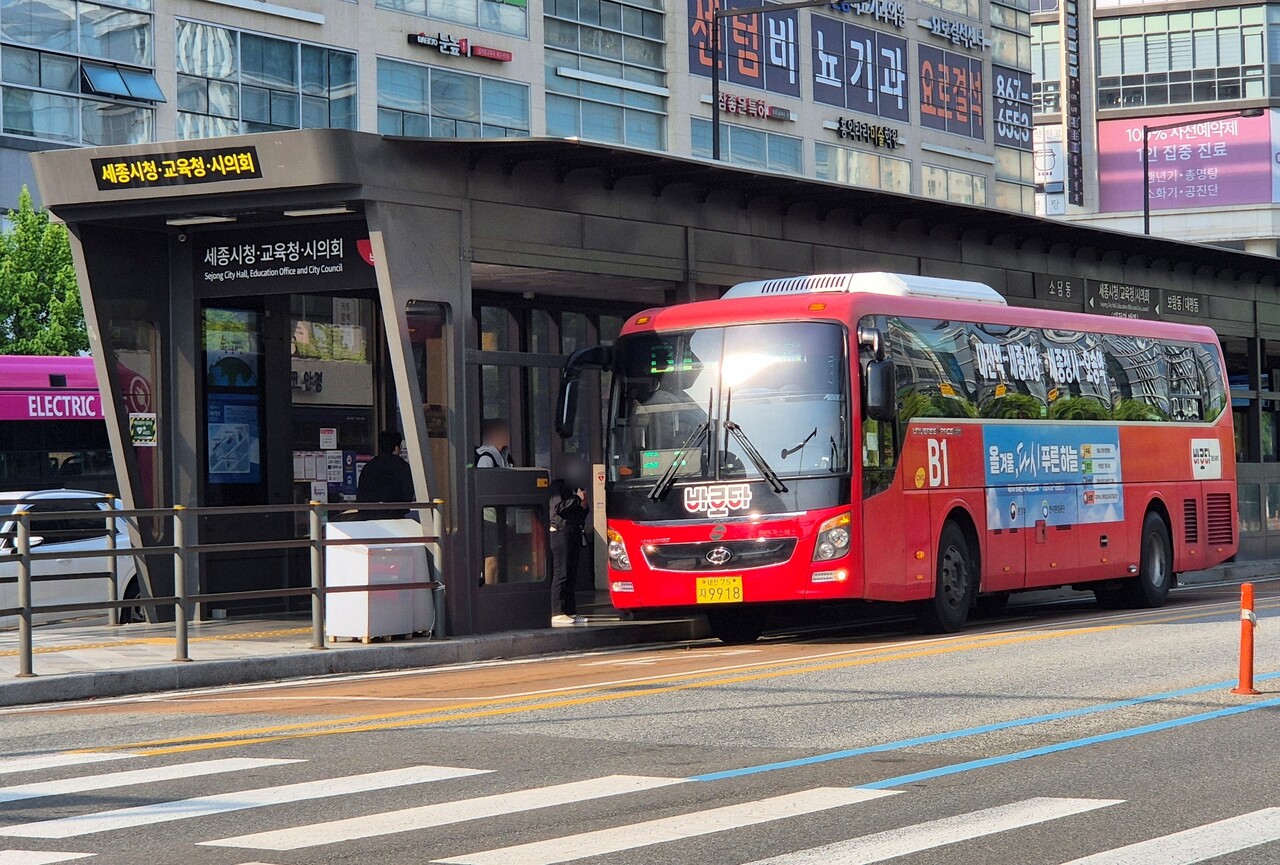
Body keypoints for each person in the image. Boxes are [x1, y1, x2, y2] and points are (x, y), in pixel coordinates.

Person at [549, 478, 588, 627]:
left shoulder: (574, 487)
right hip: (560, 532)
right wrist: (577, 499)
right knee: (561, 572)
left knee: (571, 574)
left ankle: (570, 611)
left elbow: (577, 514)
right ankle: (557, 612)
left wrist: (583, 506)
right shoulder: (557, 486)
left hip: (573, 531)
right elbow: (557, 508)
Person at [356, 430, 415, 519]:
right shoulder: (403, 467)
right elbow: (407, 493)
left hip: (370, 515)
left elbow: (362, 493)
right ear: (396, 448)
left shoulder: (369, 466)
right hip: (396, 515)